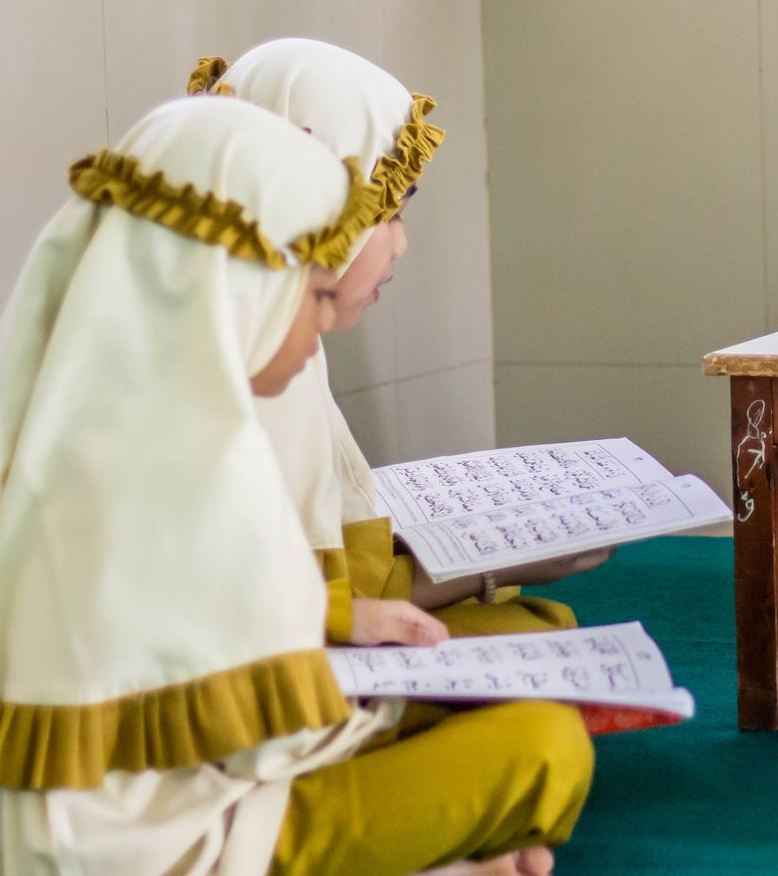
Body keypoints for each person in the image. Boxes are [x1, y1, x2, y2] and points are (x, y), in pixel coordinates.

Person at [0, 97, 589, 876]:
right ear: (238, 295)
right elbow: (245, 733)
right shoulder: (183, 453)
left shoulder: (126, 416)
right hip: (161, 838)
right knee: (543, 747)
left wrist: (360, 655)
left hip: (128, 804)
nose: (321, 325)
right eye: (313, 296)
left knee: (522, 689)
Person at [190, 42, 611, 651]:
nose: (400, 245)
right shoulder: (243, 348)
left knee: (537, 628)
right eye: (388, 214)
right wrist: (500, 562)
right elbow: (313, 613)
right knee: (538, 704)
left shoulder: (255, 311)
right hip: (229, 692)